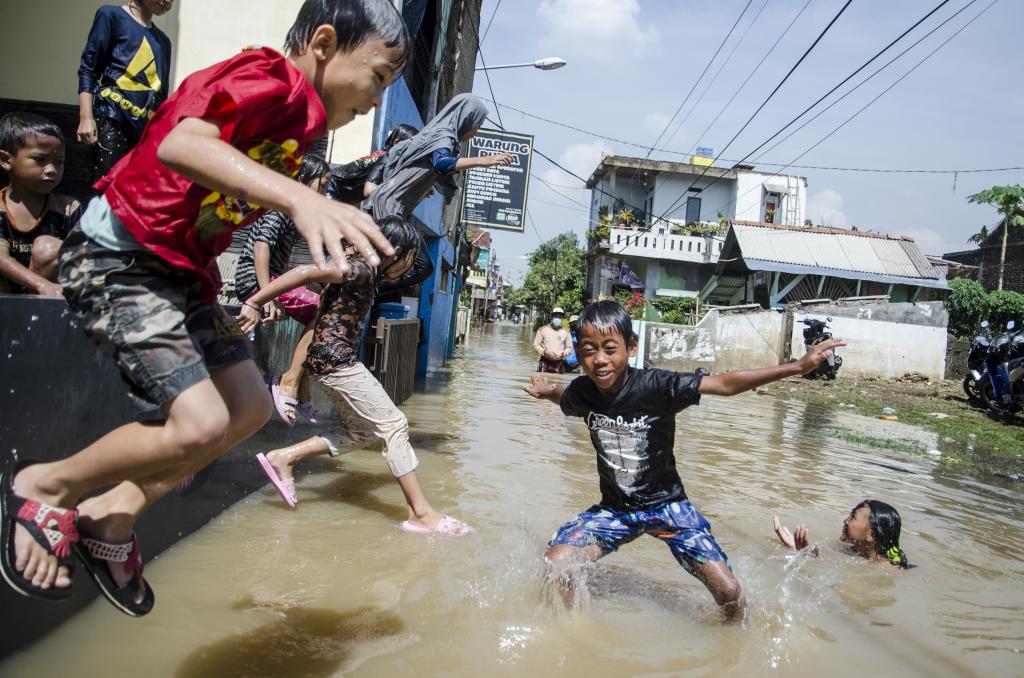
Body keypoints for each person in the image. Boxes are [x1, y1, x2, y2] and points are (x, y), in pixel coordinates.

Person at [1, 0, 409, 616]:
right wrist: (299, 199)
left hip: (182, 277)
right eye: (377, 77)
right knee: (197, 421)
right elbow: (182, 145)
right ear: (323, 43)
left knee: (247, 407)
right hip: (118, 258)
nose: (378, 100)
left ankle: (112, 516)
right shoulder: (265, 77)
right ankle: (44, 484)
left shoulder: (307, 127)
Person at [523, 300, 845, 621]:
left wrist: (796, 368)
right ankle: (576, 638)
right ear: (579, 355)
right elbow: (565, 399)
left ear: (631, 348)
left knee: (730, 595)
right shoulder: (584, 392)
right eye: (590, 350)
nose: (600, 360)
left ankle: (732, 648)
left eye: (610, 348)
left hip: (667, 507)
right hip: (616, 510)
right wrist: (547, 390)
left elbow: (722, 384)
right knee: (556, 565)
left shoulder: (657, 387)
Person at [238, 216, 471, 535]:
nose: (410, 267)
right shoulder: (360, 269)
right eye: (409, 258)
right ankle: (420, 513)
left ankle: (285, 457)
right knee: (394, 425)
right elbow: (304, 271)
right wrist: (256, 300)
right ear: (397, 251)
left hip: (329, 362)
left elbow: (423, 267)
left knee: (363, 431)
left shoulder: (367, 272)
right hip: (336, 362)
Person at [233, 154, 333, 427]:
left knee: (326, 307)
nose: (323, 192)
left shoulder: (292, 210)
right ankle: (290, 381)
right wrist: (266, 296)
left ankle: (299, 383)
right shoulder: (281, 207)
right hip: (255, 282)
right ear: (303, 179)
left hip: (270, 282)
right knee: (321, 311)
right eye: (321, 185)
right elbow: (261, 245)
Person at [365, 93, 513, 220]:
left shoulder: (444, 137)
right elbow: (441, 163)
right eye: (477, 125)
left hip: (395, 207)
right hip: (388, 207)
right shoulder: (443, 134)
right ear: (467, 119)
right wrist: (484, 160)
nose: (476, 132)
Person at [78, 1, 175, 182]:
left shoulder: (164, 42)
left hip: (143, 134)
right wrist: (86, 117)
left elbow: (161, 96)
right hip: (111, 119)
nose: (167, 1)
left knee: (132, 197)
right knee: (104, 192)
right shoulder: (111, 15)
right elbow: (88, 69)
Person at [0, 113, 83, 296]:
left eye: (59, 162)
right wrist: (41, 284)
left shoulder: (67, 209)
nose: (52, 170)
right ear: (6, 160)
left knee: (49, 249)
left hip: (46, 301)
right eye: (40, 160)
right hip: (7, 297)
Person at [773, 500, 912, 569]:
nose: (846, 521)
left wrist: (810, 560)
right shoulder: (851, 549)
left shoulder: (888, 571)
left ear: (871, 536)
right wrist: (804, 551)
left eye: (853, 517)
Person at [328, 124, 418, 205]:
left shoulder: (388, 158)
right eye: (409, 147)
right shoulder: (386, 158)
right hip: (331, 185)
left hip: (337, 190)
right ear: (396, 143)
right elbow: (369, 190)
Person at [533, 307, 572, 373]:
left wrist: (563, 353)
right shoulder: (542, 330)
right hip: (545, 361)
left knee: (557, 382)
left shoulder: (566, 332)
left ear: (562, 318)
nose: (558, 318)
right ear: (552, 317)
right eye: (556, 316)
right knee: (542, 381)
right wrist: (545, 352)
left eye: (560, 317)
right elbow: (535, 345)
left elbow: (569, 348)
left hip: (559, 362)